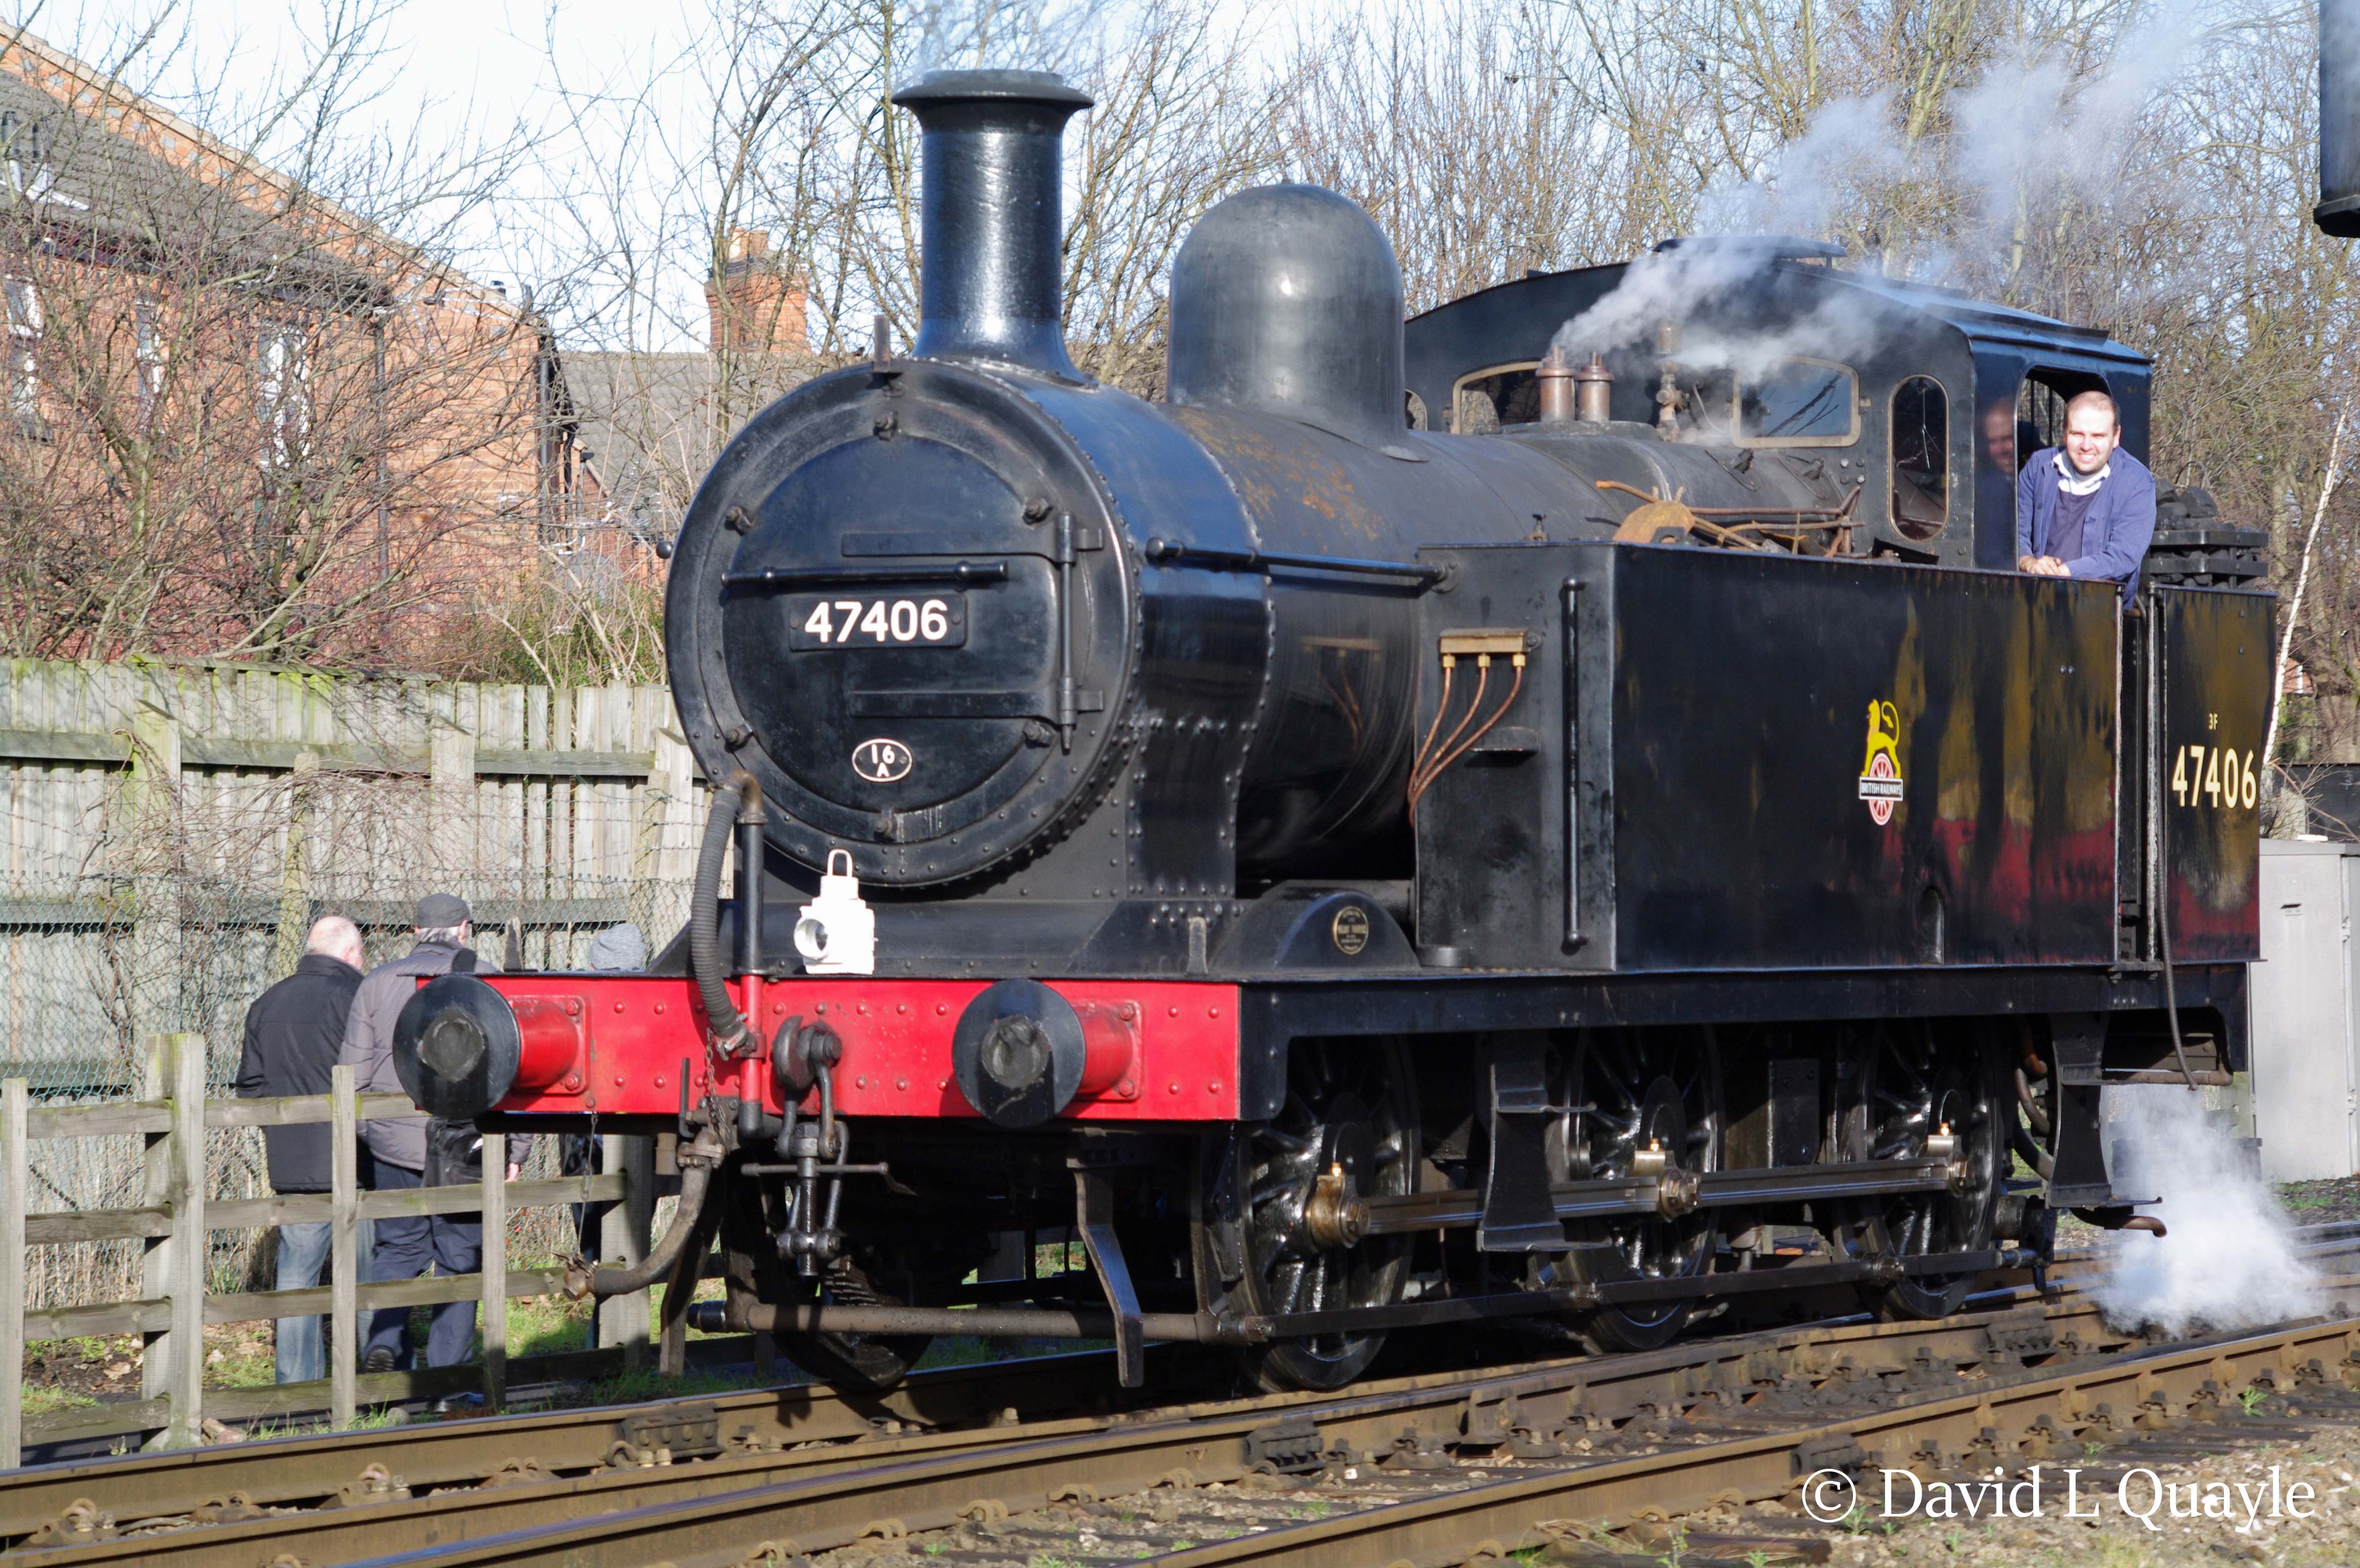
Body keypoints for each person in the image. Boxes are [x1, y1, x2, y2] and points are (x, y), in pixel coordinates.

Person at [339, 894, 527, 1373]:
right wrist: (517, 1149)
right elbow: (518, 1073)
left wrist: (374, 1133)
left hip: (393, 1144)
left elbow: (351, 1076)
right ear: (464, 929)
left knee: (398, 1248)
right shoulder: (488, 981)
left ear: (416, 932)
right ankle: (449, 1379)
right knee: (459, 1256)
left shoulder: (376, 984)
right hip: (469, 1142)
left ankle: (385, 1346)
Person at [235, 913, 366, 1385]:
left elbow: (250, 1089)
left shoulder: (266, 1003)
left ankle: (296, 1383)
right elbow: (375, 1080)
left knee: (297, 1275)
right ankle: (377, 1378)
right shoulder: (357, 999)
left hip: (293, 1164)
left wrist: (282, 1134)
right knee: (371, 1276)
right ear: (351, 953)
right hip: (359, 1160)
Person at [565, 922, 648, 1261]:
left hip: (587, 1140)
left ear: (596, 967)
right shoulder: (650, 1008)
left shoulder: (581, 1008)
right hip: (638, 1142)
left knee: (594, 1244)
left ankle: (604, 1303)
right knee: (628, 1241)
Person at [2015, 389, 2155, 590]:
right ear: (2064, 433)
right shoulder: (2038, 467)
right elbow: (2015, 532)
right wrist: (2028, 562)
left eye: (2098, 436)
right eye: (2078, 434)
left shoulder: (2138, 483)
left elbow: (2122, 557)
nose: (2087, 445)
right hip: (2035, 598)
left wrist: (2064, 572)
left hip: (2103, 610)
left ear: (2116, 437)